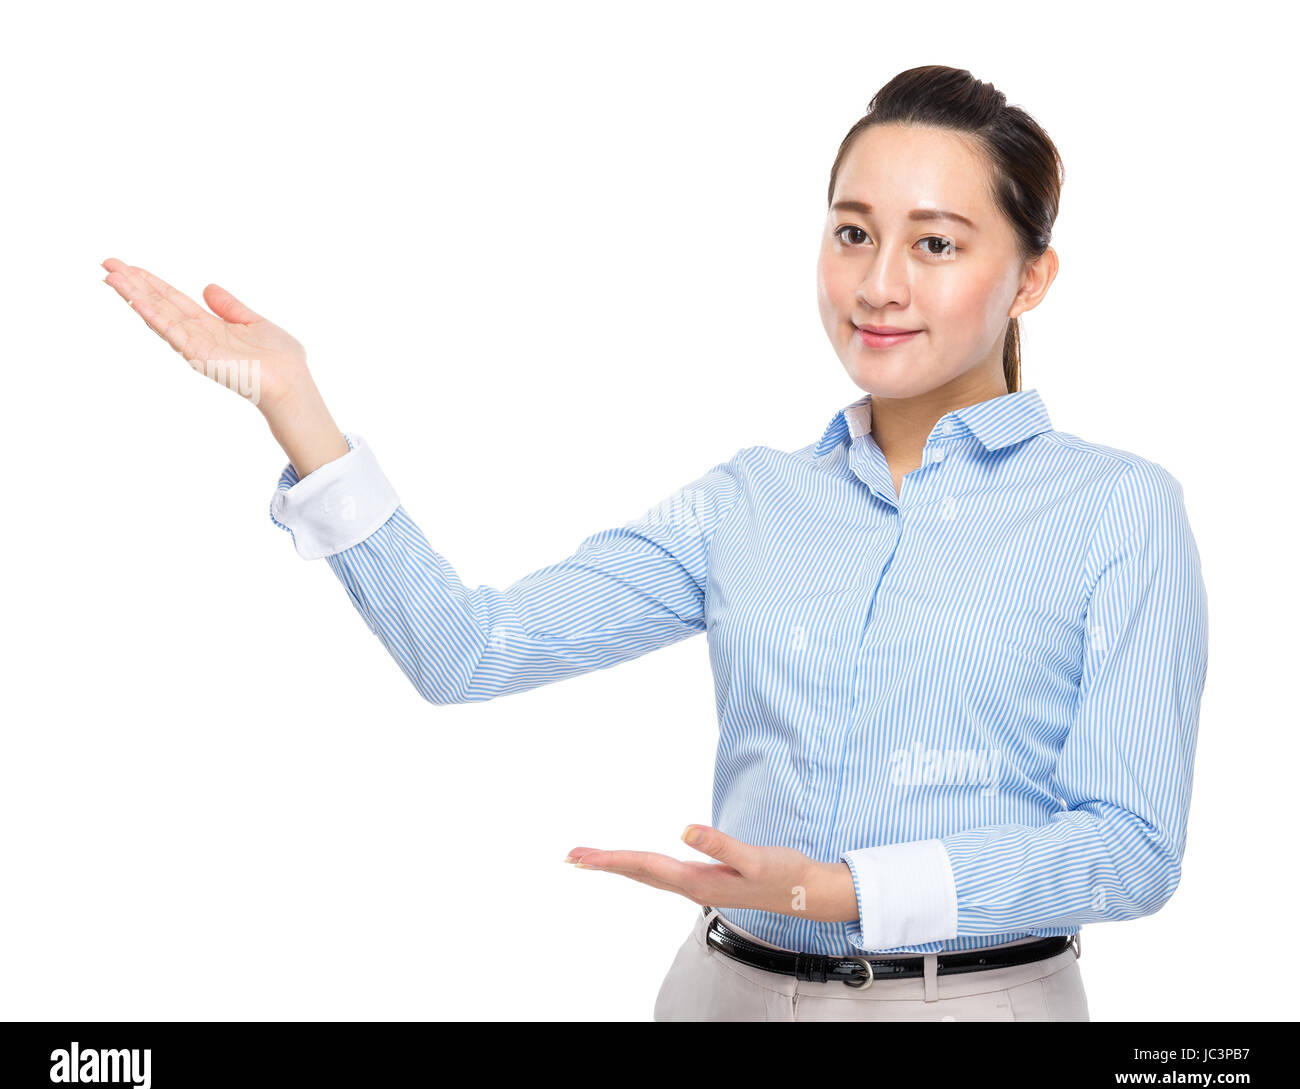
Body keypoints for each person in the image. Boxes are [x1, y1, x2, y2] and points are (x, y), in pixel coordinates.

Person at [101, 64, 1209, 1022]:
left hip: (972, 1002)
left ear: (1031, 277)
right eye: (853, 232)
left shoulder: (1116, 509)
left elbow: (1129, 845)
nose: (878, 284)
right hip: (720, 993)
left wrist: (846, 889)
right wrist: (297, 406)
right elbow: (471, 648)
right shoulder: (751, 502)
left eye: (936, 243)